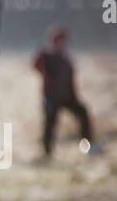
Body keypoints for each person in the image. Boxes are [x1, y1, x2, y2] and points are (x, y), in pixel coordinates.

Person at [34, 25, 99, 157]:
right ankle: (47, 152)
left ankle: (87, 145)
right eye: (58, 40)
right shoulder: (47, 56)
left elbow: (71, 79)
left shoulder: (66, 58)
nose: (61, 43)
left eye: (63, 40)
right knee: (50, 125)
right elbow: (37, 66)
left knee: (83, 113)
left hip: (68, 96)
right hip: (52, 97)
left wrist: (74, 94)